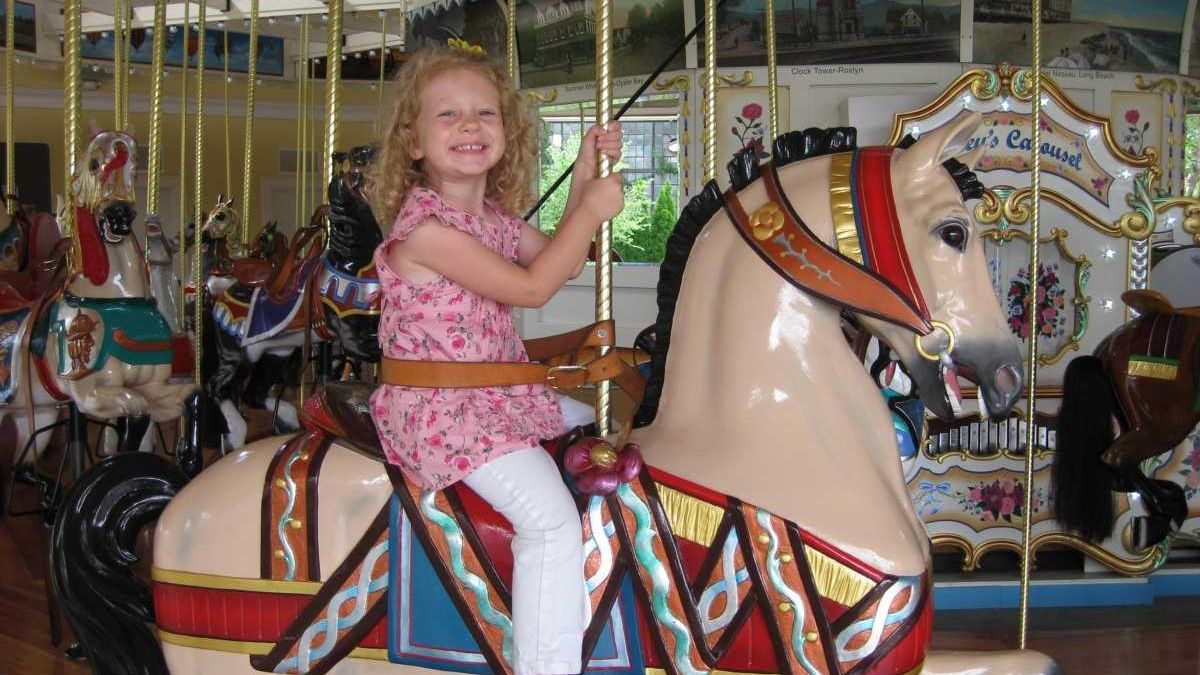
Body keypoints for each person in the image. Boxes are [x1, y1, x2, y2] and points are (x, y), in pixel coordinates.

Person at [364, 43, 624, 675]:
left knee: (602, 428)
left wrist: (585, 176)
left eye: (485, 112)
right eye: (448, 115)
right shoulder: (426, 232)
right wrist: (589, 211)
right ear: (415, 142)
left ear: (507, 131)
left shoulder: (491, 220)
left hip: (493, 397)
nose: (470, 125)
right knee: (550, 520)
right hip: (443, 411)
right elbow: (534, 289)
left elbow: (558, 256)